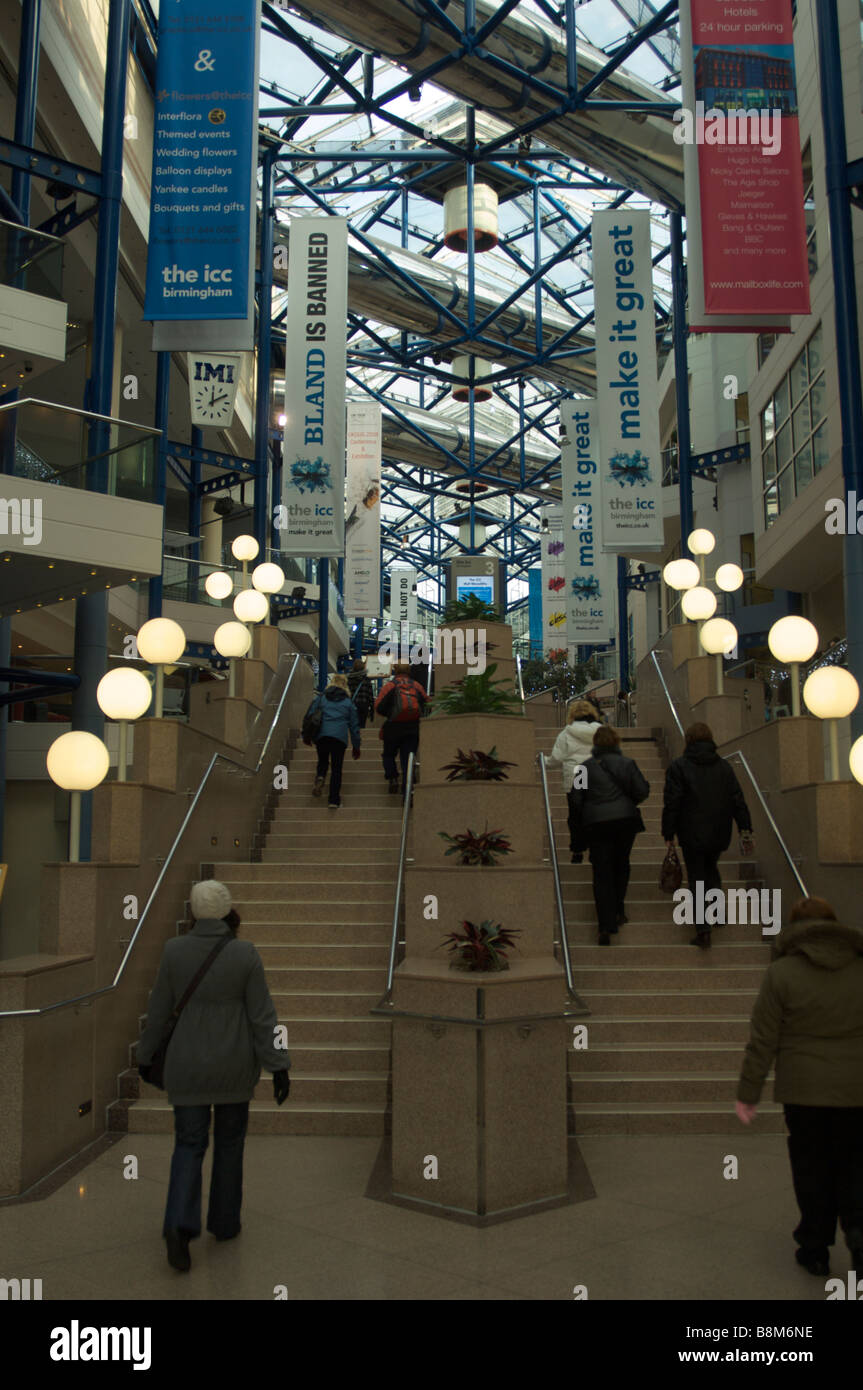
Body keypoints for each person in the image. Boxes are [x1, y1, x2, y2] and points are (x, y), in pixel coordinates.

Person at [136, 880, 291, 1273]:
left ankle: (178, 1225)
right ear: (227, 912)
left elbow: (158, 1012)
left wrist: (145, 1053)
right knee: (229, 1143)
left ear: (193, 912)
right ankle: (224, 1222)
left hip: (187, 1066)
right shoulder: (244, 954)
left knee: (188, 1145)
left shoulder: (174, 951)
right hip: (233, 1065)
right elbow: (263, 1016)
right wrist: (278, 1064)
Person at [736, 896, 863, 1278]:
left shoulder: (782, 973)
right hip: (857, 1089)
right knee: (856, 1163)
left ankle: (815, 1247)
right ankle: (858, 1231)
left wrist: (748, 1092)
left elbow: (763, 1039)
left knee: (812, 1167)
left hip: (803, 1093)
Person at [661, 721, 753, 949]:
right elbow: (737, 799)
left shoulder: (678, 767)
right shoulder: (724, 767)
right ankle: (718, 913)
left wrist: (668, 831)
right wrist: (745, 827)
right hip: (720, 830)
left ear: (688, 740)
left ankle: (703, 929)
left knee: (696, 876)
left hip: (691, 831)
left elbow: (673, 802)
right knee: (711, 868)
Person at [568, 725, 650, 945]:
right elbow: (642, 791)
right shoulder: (628, 764)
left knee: (601, 872)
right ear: (616, 742)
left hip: (596, 824)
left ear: (595, 744)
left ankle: (605, 925)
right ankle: (618, 909)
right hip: (625, 822)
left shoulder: (583, 768)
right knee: (621, 864)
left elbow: (575, 800)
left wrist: (585, 817)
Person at [546, 698, 602, 863]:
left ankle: (577, 850)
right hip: (595, 774)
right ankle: (594, 849)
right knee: (595, 813)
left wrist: (543, 762)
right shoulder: (600, 730)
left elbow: (557, 758)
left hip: (577, 772)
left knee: (576, 815)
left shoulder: (567, 732)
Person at [304, 672, 361, 808]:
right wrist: (356, 746)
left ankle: (321, 776)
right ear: (345, 685)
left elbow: (310, 715)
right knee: (336, 768)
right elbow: (354, 727)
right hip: (339, 739)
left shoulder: (322, 698)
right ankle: (334, 800)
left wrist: (306, 735)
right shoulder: (348, 703)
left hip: (322, 736)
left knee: (323, 761)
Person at [375, 660, 426, 798]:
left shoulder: (389, 686)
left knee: (388, 755)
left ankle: (392, 778)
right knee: (407, 758)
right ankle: (407, 789)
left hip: (393, 726)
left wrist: (390, 714)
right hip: (412, 727)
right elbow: (427, 703)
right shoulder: (416, 685)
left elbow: (378, 706)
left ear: (395, 671)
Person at [347, 658, 375, 729]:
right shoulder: (367, 680)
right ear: (363, 667)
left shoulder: (349, 679)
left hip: (352, 705)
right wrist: (372, 710)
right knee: (362, 726)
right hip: (364, 705)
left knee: (352, 725)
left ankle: (353, 738)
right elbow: (370, 695)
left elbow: (346, 694)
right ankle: (360, 738)